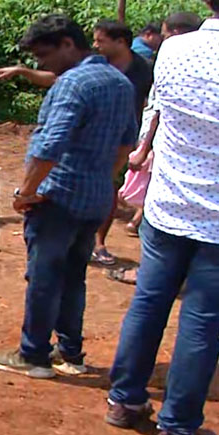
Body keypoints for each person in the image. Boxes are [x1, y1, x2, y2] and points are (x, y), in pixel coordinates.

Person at [0, 14, 136, 379]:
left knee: (45, 276)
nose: (42, 65)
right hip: (95, 197)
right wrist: (103, 177)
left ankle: (34, 355)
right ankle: (71, 353)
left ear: (68, 44)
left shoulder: (72, 84)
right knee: (73, 277)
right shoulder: (119, 82)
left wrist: (26, 192)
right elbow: (126, 143)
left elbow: (51, 146)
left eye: (44, 55)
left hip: (58, 198)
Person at [105, 1, 219, 435]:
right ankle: (178, 426)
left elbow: (156, 115)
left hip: (168, 206)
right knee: (203, 320)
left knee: (149, 303)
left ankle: (124, 400)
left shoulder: (173, 50)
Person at [104, 12, 203, 286]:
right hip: (191, 158)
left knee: (163, 219)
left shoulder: (172, 57)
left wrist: (143, 147)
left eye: (167, 34)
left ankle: (152, 272)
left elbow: (156, 109)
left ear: (176, 33)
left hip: (171, 154)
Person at [90, 19, 153, 266]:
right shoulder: (94, 66)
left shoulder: (144, 69)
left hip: (124, 142)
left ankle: (98, 242)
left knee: (109, 191)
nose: (95, 45)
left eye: (100, 40)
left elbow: (155, 106)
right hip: (91, 137)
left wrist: (146, 145)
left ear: (121, 42)